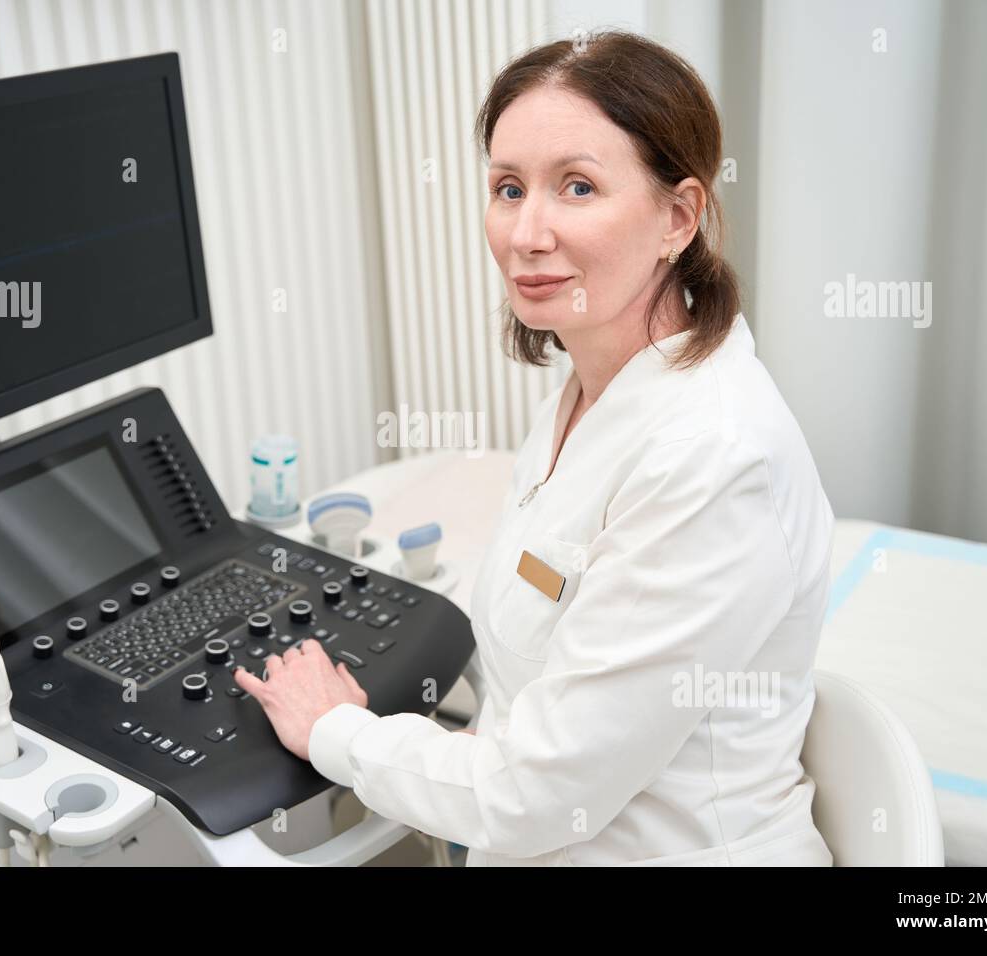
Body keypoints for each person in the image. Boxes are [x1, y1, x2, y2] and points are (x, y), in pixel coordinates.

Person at [233, 30, 836, 866]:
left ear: (678, 216)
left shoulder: (714, 457)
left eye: (578, 187)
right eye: (508, 188)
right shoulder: (589, 386)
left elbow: (537, 795)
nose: (527, 232)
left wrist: (336, 731)